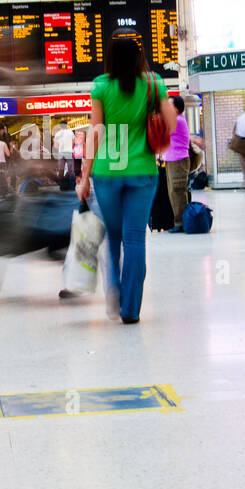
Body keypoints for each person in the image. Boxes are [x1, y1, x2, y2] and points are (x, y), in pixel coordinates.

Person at [77, 37, 177, 324]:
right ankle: (131, 309)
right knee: (135, 239)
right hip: (142, 170)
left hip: (108, 172)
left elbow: (95, 131)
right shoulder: (154, 83)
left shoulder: (101, 86)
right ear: (139, 57)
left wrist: (85, 178)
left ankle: (113, 291)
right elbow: (171, 124)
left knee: (114, 238)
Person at [160, 96, 193, 231]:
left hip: (178, 160)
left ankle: (181, 223)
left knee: (178, 191)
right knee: (173, 192)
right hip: (172, 160)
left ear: (176, 108)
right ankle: (178, 221)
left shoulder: (177, 120)